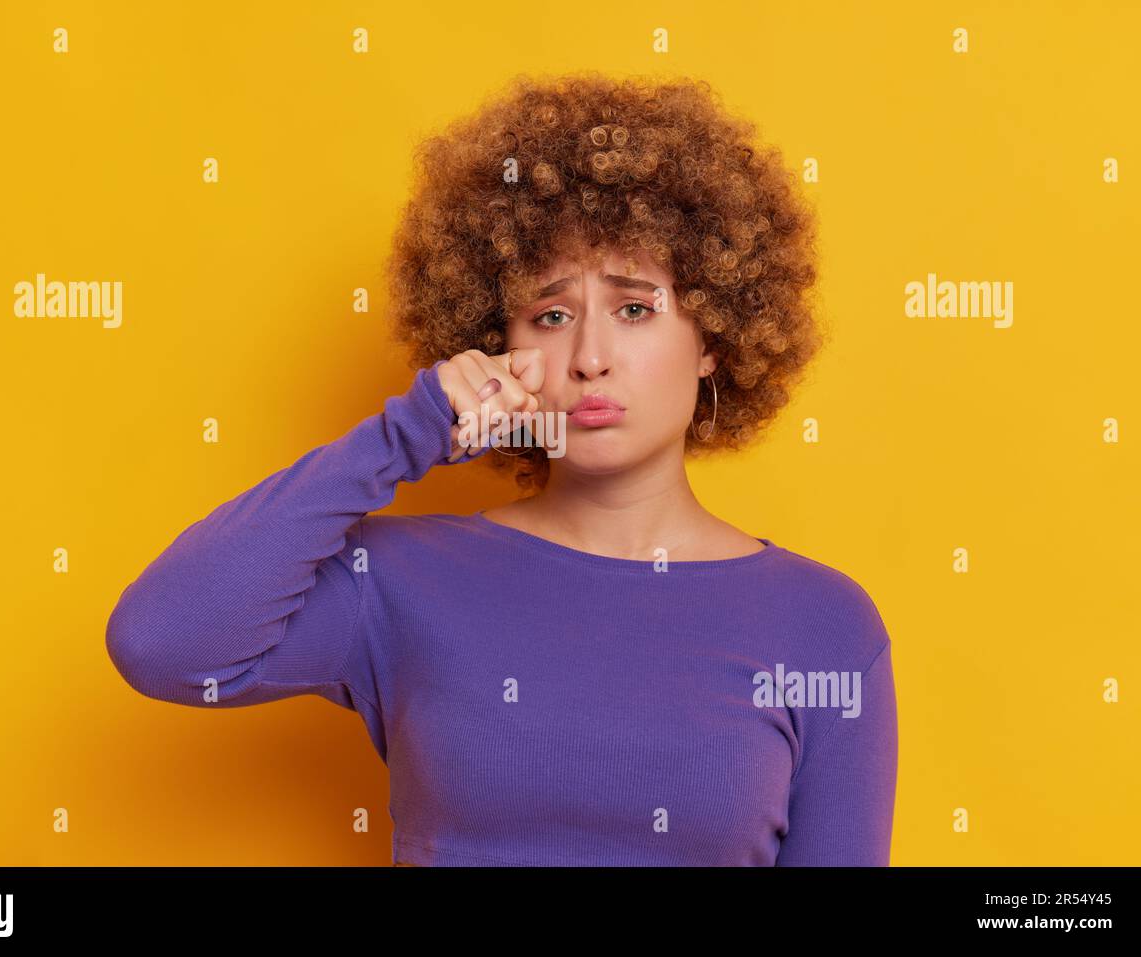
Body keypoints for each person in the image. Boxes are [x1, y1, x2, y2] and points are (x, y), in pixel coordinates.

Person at [105, 71, 898, 866]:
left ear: (714, 340)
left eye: (634, 309)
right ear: (495, 345)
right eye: (550, 315)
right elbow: (162, 641)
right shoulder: (398, 580)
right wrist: (405, 434)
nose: (589, 358)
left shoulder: (823, 628)